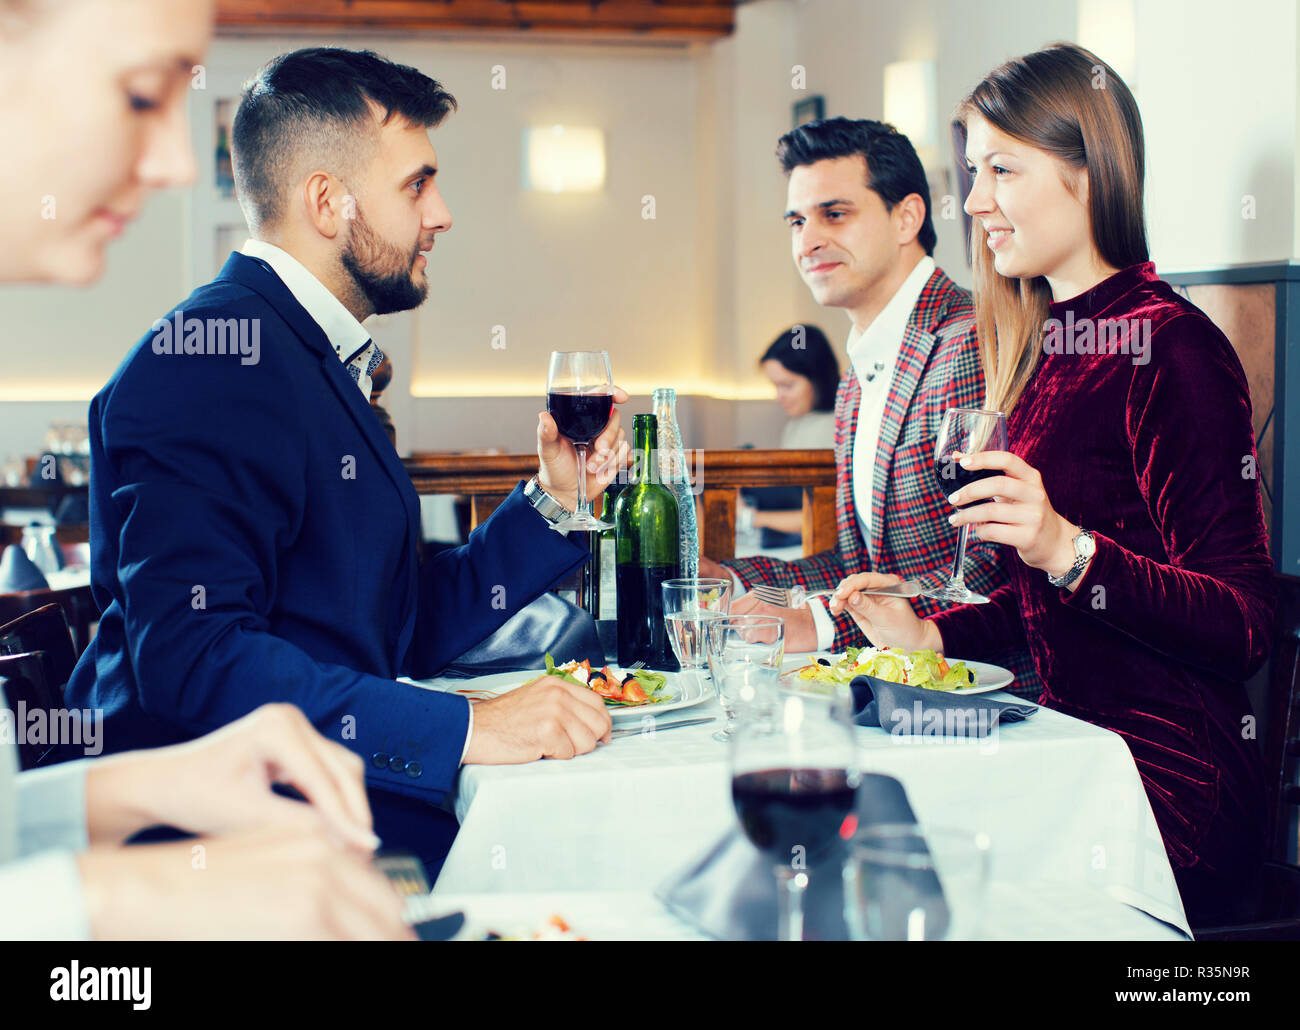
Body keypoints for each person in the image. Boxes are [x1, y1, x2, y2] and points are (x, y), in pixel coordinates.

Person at [61, 46, 626, 872]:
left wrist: (556, 500)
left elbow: (395, 619)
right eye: (417, 185)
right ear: (327, 202)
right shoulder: (212, 359)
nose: (442, 213)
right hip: (220, 836)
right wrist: (471, 726)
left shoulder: (303, 353)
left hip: (317, 788)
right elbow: (194, 660)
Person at [830, 43, 1272, 927]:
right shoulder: (1052, 344)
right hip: (1063, 753)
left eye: (1002, 168)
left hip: (1163, 791)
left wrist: (1065, 547)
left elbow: (1244, 626)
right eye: (972, 169)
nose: (976, 198)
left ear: (1088, 171)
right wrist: (929, 631)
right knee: (858, 846)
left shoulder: (1169, 345)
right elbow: (1049, 608)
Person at [0, 0, 411, 939]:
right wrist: (127, 896)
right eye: (145, 92)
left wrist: (150, 786)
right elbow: (193, 657)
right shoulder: (211, 354)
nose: (184, 166)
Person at [702, 118, 1037, 694]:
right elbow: (858, 565)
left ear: (907, 217)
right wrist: (731, 581)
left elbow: (987, 571)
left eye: (835, 215)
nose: (807, 241)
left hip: (988, 697)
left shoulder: (965, 340)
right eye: (797, 221)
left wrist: (825, 621)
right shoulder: (859, 371)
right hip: (900, 692)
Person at [742, 325, 838, 548]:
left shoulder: (838, 428)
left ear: (817, 379)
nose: (779, 397)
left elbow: (829, 514)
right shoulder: (795, 426)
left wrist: (750, 517)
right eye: (775, 386)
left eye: (787, 386)